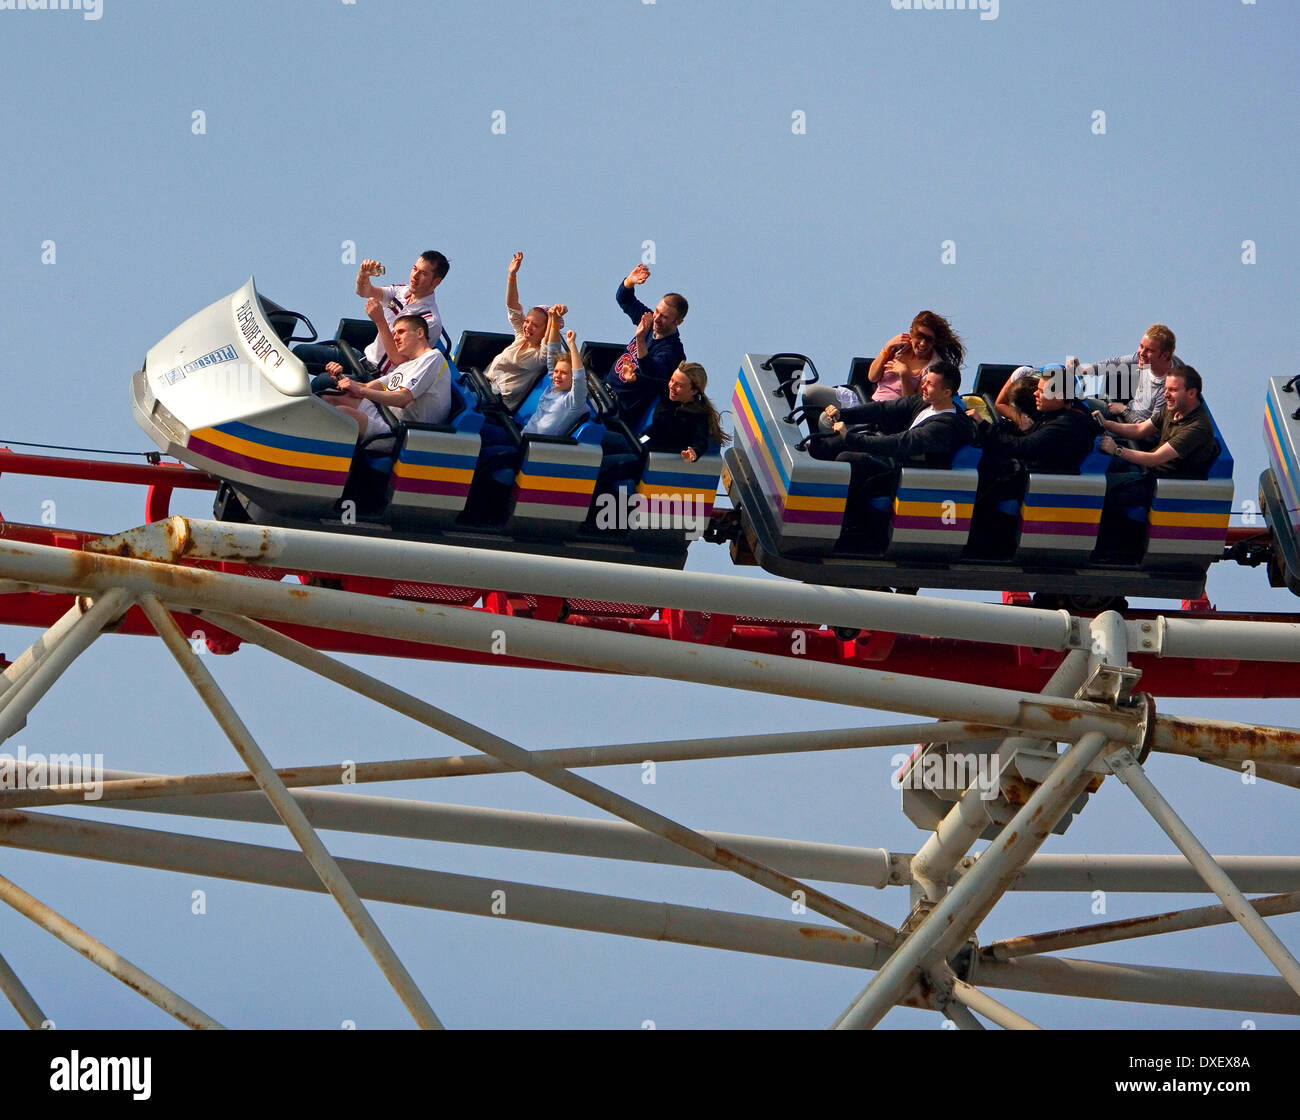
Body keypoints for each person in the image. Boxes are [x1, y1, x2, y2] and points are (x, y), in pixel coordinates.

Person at [809, 363, 974, 550]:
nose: (924, 387)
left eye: (930, 384)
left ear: (946, 392)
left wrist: (851, 437)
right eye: (925, 381)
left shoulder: (946, 426)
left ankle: (847, 527)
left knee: (850, 458)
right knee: (833, 444)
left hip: (910, 474)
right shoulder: (924, 403)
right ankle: (808, 496)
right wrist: (843, 414)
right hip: (898, 461)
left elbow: (901, 443)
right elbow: (884, 409)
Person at [966, 371, 1098, 557]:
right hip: (1037, 469)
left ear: (1059, 396)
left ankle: (979, 544)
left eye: (1041, 391)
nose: (1036, 394)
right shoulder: (1061, 410)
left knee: (986, 474)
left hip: (1044, 480)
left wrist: (983, 425)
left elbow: (1022, 447)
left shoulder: (1065, 424)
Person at [1094, 366, 1218, 559]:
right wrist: (1106, 424)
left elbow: (1155, 459)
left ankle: (1113, 550)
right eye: (1166, 389)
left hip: (1163, 483)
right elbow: (1140, 430)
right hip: (1148, 470)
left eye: (1173, 390)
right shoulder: (1173, 408)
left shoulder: (1196, 428)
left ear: (1191, 393)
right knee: (1101, 467)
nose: (1166, 394)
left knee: (1102, 489)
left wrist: (1117, 449)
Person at [297, 250, 450, 392]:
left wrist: (380, 321)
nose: (414, 276)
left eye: (423, 274)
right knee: (300, 352)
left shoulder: (430, 320)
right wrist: (363, 275)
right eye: (414, 269)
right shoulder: (401, 291)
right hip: (362, 359)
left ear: (436, 282)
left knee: (321, 382)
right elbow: (364, 291)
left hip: (379, 379)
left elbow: (399, 359)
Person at [994, 323, 1180, 426]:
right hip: (1122, 406)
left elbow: (1150, 428)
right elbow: (1112, 363)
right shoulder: (1143, 359)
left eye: (1148, 351)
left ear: (1164, 355)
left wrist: (1123, 411)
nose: (1140, 353)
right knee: (1079, 386)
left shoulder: (1170, 388)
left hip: (1131, 422)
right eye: (1141, 346)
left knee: (1077, 400)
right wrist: (1082, 370)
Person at [803, 311, 965, 426]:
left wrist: (904, 375)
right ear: (911, 333)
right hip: (868, 402)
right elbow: (872, 377)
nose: (922, 344)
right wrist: (887, 348)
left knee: (829, 419)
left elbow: (912, 406)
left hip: (889, 415)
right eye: (920, 336)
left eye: (929, 340)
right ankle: (815, 442)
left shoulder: (933, 368)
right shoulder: (901, 347)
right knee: (812, 394)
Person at [323, 311, 450, 439]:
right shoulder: (406, 365)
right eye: (394, 334)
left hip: (400, 432)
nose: (395, 338)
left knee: (342, 414)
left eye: (401, 332)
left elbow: (402, 399)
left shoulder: (433, 358)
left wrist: (360, 390)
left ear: (420, 333)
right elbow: (368, 387)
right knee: (328, 396)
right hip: (385, 415)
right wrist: (340, 378)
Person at [605, 264, 688, 416]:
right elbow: (625, 299)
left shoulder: (672, 351)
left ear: (678, 322)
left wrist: (640, 339)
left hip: (617, 409)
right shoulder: (649, 320)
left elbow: (650, 372)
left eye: (664, 317)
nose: (656, 318)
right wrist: (630, 281)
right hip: (602, 389)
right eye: (657, 311)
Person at [483, 252, 551, 411]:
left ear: (545, 331)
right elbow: (512, 306)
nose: (528, 326)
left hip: (496, 403)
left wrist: (553, 320)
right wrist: (512, 275)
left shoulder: (542, 355)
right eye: (527, 321)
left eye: (535, 325)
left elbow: (551, 342)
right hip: (481, 384)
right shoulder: (521, 337)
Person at [525, 318, 590, 438]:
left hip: (537, 449)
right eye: (556, 371)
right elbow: (553, 352)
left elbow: (579, 377)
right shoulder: (551, 388)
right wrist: (554, 322)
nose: (557, 376)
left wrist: (572, 344)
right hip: (522, 438)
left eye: (564, 373)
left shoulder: (574, 401)